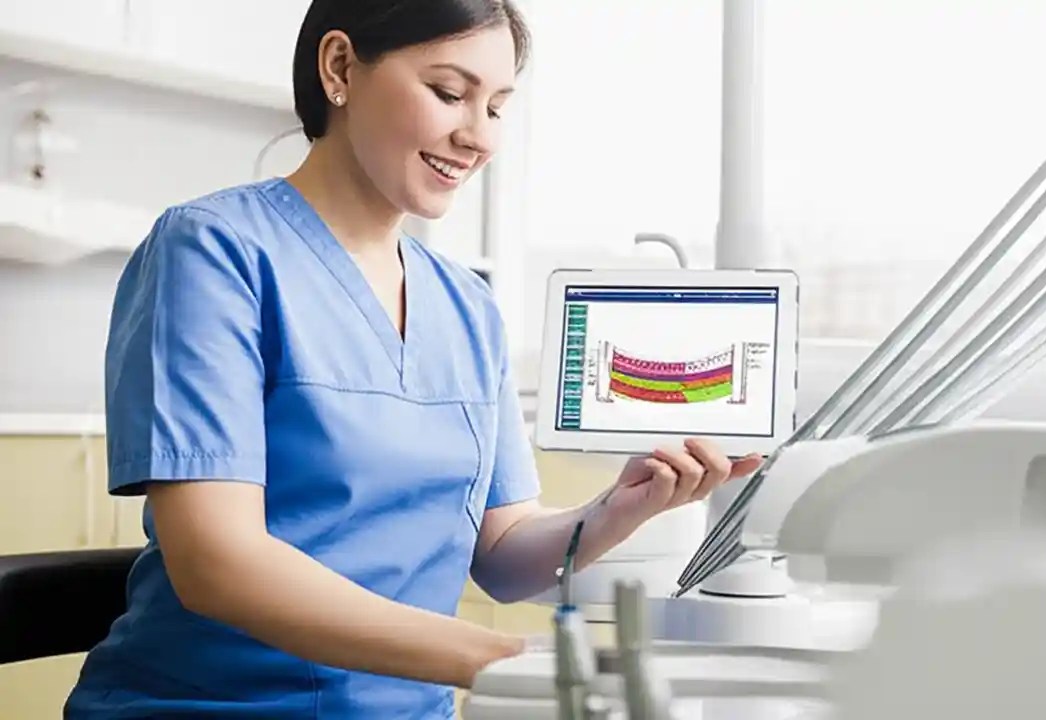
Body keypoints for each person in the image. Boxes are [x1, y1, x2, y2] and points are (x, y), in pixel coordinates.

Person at [63, 1, 763, 717]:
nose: (479, 136)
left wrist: (618, 509)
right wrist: (499, 658)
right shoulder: (214, 251)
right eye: (450, 93)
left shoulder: (466, 306)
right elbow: (217, 564)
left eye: (496, 107)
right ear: (339, 67)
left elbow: (505, 553)